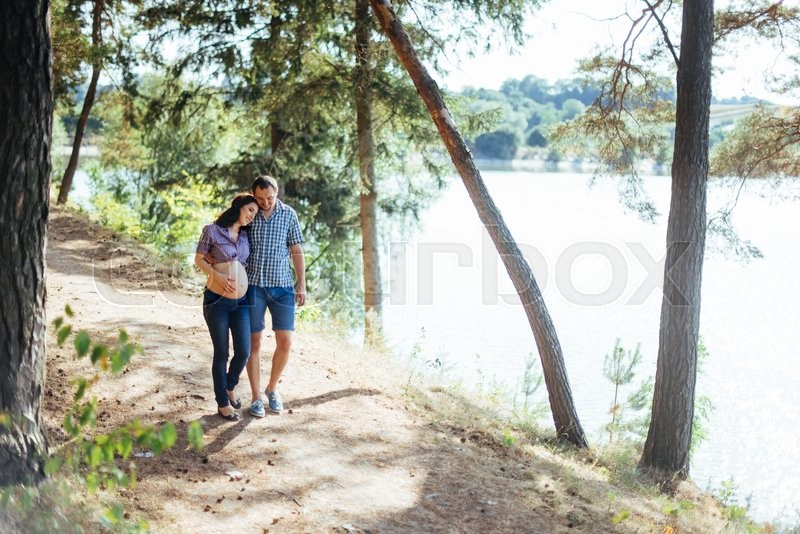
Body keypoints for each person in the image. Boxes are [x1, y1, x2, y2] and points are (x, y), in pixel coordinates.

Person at [194, 193, 259, 422]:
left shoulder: (246, 236)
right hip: (216, 301)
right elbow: (199, 259)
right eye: (250, 210)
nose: (252, 216)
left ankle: (230, 386)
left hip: (241, 303)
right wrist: (217, 275)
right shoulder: (212, 231)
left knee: (244, 351)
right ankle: (222, 403)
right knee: (222, 352)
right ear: (239, 207)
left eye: (255, 213)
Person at [245, 175, 306, 417]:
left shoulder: (289, 214)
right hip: (253, 287)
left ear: (276, 193)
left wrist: (302, 285)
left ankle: (272, 389)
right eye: (260, 198)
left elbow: (296, 250)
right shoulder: (249, 212)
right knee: (254, 343)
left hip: (282, 287)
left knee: (285, 342)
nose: (265, 203)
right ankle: (255, 397)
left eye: (269, 198)